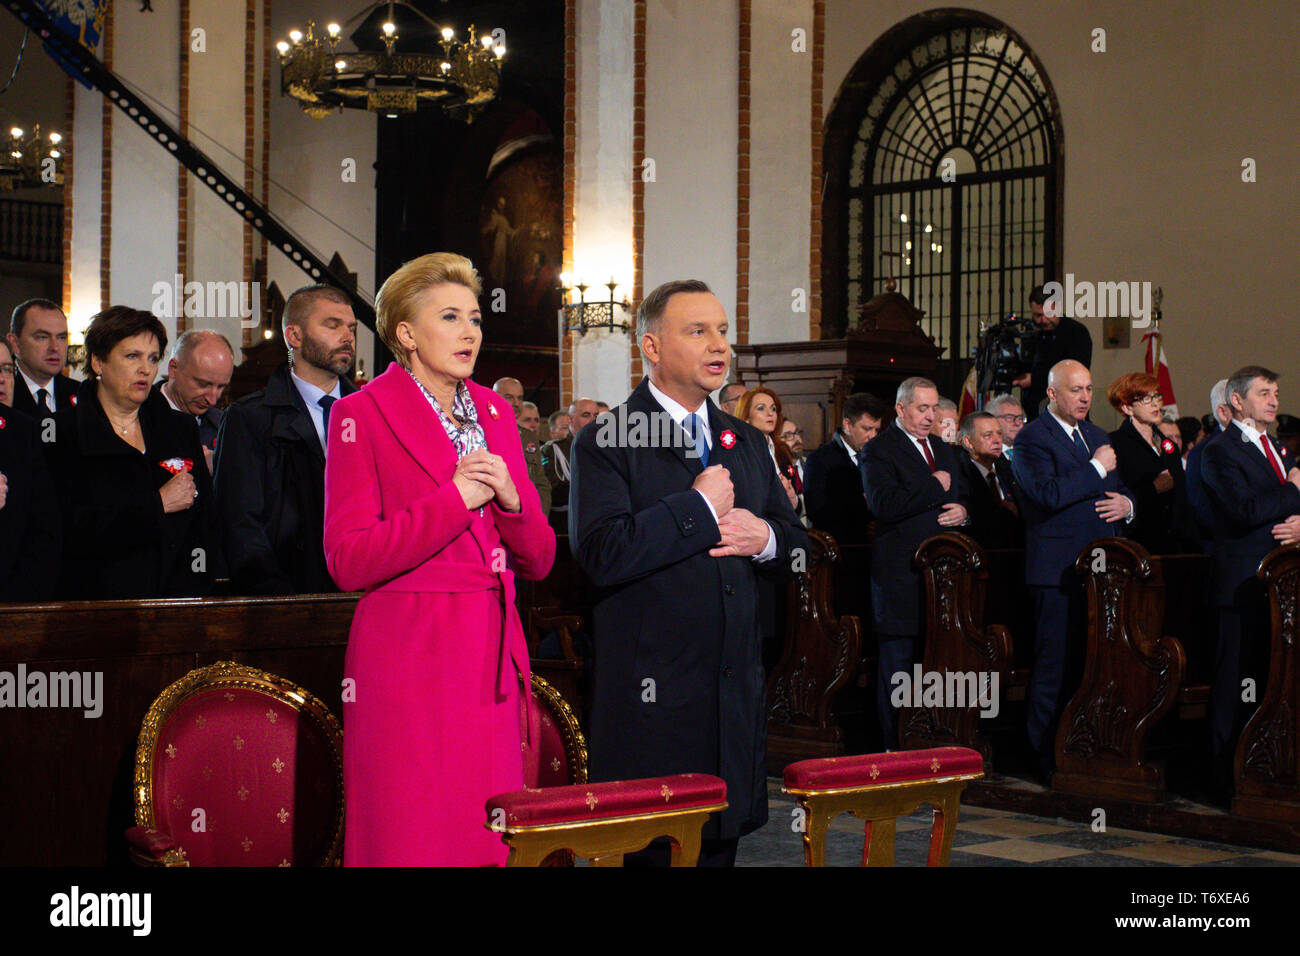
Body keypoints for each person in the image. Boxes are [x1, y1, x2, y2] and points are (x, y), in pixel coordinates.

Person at [323, 252, 555, 866]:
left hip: (492, 663)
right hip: (409, 663)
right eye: (449, 317)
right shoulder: (359, 415)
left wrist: (509, 500)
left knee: (487, 836)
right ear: (405, 332)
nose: (469, 332)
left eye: (474, 318)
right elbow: (348, 560)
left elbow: (539, 559)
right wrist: (454, 500)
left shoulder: (496, 411)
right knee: (413, 835)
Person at [569, 278, 807, 867]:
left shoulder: (746, 440)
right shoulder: (607, 438)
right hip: (654, 701)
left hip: (730, 696)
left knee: (719, 848)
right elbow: (601, 553)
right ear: (651, 347)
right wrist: (698, 511)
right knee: (655, 848)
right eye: (697, 331)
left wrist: (769, 538)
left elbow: (803, 551)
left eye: (722, 331)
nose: (717, 344)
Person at [43, 306, 215, 599]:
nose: (146, 369)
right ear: (98, 361)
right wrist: (156, 505)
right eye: (132, 356)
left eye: (152, 358)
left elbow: (205, 523)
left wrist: (194, 592)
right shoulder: (62, 433)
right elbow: (68, 530)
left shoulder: (178, 428)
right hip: (96, 604)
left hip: (176, 602)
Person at [1011, 360, 1133, 767]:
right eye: (1075, 390)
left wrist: (1128, 505)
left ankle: (1082, 748)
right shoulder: (1032, 439)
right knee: (1054, 666)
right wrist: (1096, 468)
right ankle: (1043, 755)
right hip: (1057, 572)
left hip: (1101, 571)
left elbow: (1117, 487)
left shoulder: (1095, 435)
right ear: (1051, 393)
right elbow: (1046, 494)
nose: (1084, 397)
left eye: (1089, 390)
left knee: (1091, 663)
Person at [214, 284, 357, 595]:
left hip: (363, 594)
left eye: (351, 327)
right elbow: (241, 524)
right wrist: (278, 599)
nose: (347, 336)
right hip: (284, 597)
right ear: (294, 336)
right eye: (332, 325)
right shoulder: (250, 418)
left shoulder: (372, 412)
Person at [1200, 366, 1300, 794]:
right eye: (1264, 393)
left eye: (1276, 392)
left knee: (1267, 678)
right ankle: (1226, 776)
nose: (1274, 400)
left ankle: (1262, 768)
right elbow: (1242, 509)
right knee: (1236, 682)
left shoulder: (1276, 446)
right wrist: (1294, 492)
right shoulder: (1220, 450)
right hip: (1242, 584)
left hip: (1280, 584)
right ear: (1238, 401)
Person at [859, 376, 969, 746]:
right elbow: (883, 505)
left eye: (934, 407)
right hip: (900, 579)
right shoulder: (879, 450)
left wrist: (962, 513)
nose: (930, 416)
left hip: (943, 580)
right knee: (898, 667)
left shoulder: (943, 448)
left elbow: (960, 497)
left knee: (936, 665)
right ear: (900, 409)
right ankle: (894, 748)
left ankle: (930, 744)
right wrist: (932, 487)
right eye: (922, 408)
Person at [1106, 372, 1196, 555]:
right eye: (1146, 399)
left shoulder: (1167, 443)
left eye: (1156, 396)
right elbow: (1115, 496)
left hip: (1174, 544)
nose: (1156, 403)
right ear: (1127, 408)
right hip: (1138, 543)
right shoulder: (1116, 444)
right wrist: (1153, 488)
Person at [0, 338, 62, 601]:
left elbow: (44, 527)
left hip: (16, 599)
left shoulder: (23, 431)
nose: (2, 379)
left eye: (6, 369)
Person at [803, 391, 885, 547]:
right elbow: (816, 511)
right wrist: (863, 504)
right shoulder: (820, 459)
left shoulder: (879, 457)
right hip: (840, 551)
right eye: (867, 429)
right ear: (847, 425)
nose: (873, 436)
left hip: (875, 551)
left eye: (876, 430)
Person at [152, 329, 235, 474]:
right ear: (173, 369)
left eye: (221, 387)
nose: (213, 399)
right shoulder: (135, 418)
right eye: (203, 384)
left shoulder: (226, 426)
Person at [1013, 285, 1093, 420]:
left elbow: (1073, 375)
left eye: (1048, 313)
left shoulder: (1076, 332)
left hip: (1067, 410)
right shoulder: (1034, 333)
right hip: (1035, 412)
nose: (1043, 320)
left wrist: (1035, 380)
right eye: (1038, 315)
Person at [956, 410, 1022, 549]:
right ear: (968, 442)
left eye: (999, 433)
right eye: (988, 435)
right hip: (977, 550)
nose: (997, 440)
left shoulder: (1009, 468)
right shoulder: (958, 474)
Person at [6, 298, 77, 422]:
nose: (55, 347)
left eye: (61, 337)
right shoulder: (4, 392)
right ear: (15, 343)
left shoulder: (82, 395)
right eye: (42, 337)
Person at [735, 387, 801, 513]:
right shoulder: (738, 452)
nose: (770, 413)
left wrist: (793, 499)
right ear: (746, 417)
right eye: (761, 408)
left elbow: (795, 505)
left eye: (773, 408)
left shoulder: (782, 450)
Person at [493, 377, 551, 517]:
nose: (516, 403)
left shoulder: (528, 437)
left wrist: (539, 515)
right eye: (509, 397)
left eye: (520, 398)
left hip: (528, 515)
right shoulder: (483, 432)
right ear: (494, 397)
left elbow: (541, 483)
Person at [541, 396, 597, 535]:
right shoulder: (553, 449)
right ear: (570, 420)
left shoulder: (608, 450)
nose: (593, 420)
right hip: (566, 524)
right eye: (586, 415)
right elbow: (552, 489)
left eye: (596, 415)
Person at [1186, 379, 1232, 548]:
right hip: (1223, 547)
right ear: (1223, 411)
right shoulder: (1203, 452)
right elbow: (1201, 507)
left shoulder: (1263, 446)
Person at [988, 393, 1026, 462]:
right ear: (993, 421)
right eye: (1010, 418)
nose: (1017, 423)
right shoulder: (984, 456)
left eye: (1020, 418)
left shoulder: (1031, 452)